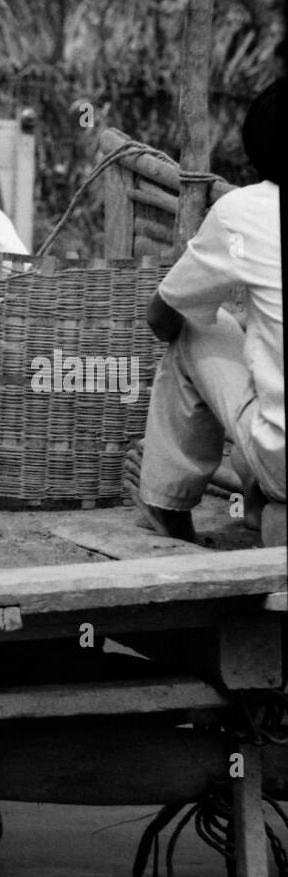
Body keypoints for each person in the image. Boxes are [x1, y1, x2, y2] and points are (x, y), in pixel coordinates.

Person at [136, 81, 283, 543]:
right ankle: (255, 495)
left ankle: (166, 508)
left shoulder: (245, 210)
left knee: (200, 326)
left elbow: (161, 317)